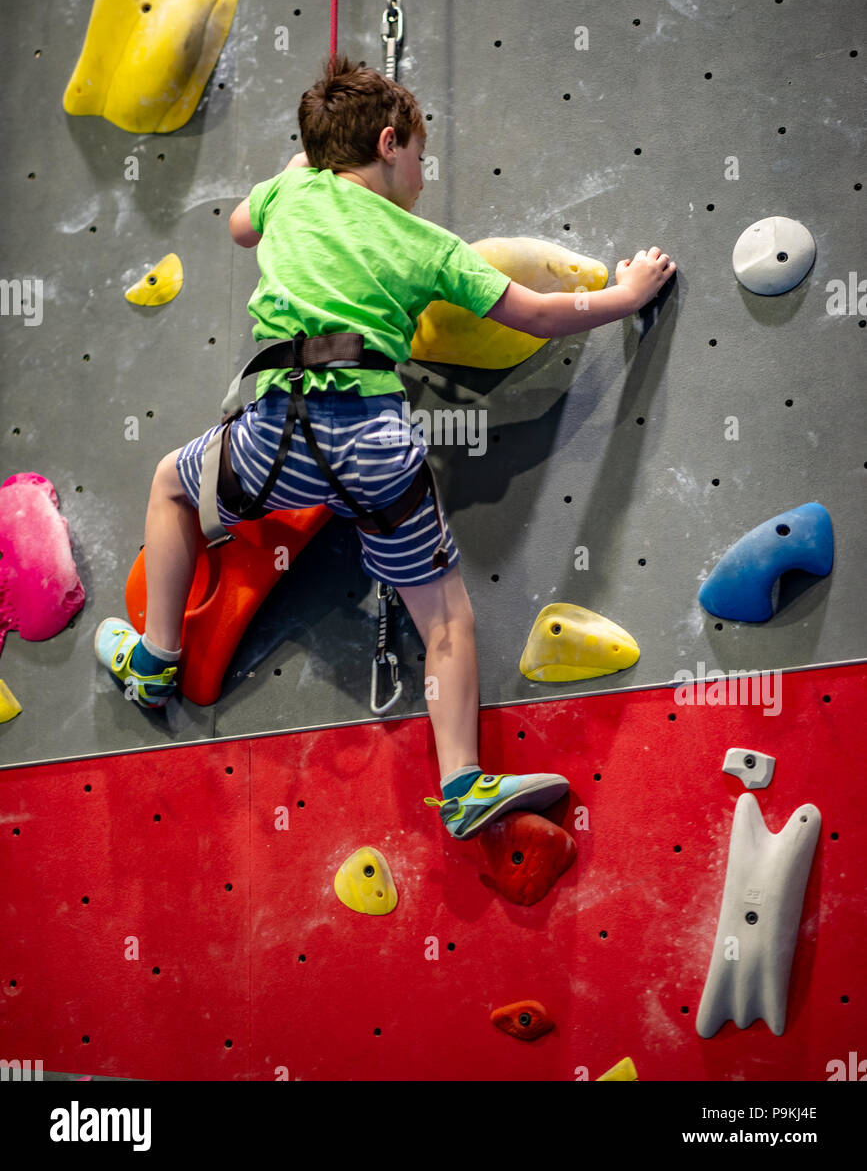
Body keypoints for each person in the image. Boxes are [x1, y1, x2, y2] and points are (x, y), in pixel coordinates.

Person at [95, 53, 676, 840]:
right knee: (445, 622)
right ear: (390, 140)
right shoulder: (427, 244)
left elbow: (238, 227)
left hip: (276, 436)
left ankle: (156, 659)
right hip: (375, 446)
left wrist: (298, 164)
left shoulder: (292, 189)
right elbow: (540, 314)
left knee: (171, 482)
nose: (424, 178)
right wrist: (629, 294)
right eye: (420, 159)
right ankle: (462, 782)